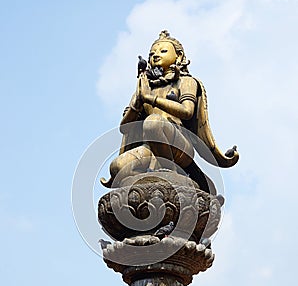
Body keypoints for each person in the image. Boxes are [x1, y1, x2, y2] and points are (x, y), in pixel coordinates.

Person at [101, 30, 238, 192]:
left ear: (178, 56)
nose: (156, 55)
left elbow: (187, 111)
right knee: (117, 167)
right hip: (150, 147)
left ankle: (170, 171)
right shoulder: (145, 87)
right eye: (152, 53)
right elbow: (125, 127)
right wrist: (138, 101)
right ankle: (146, 184)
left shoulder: (186, 82)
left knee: (153, 123)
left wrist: (150, 99)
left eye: (163, 51)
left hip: (177, 143)